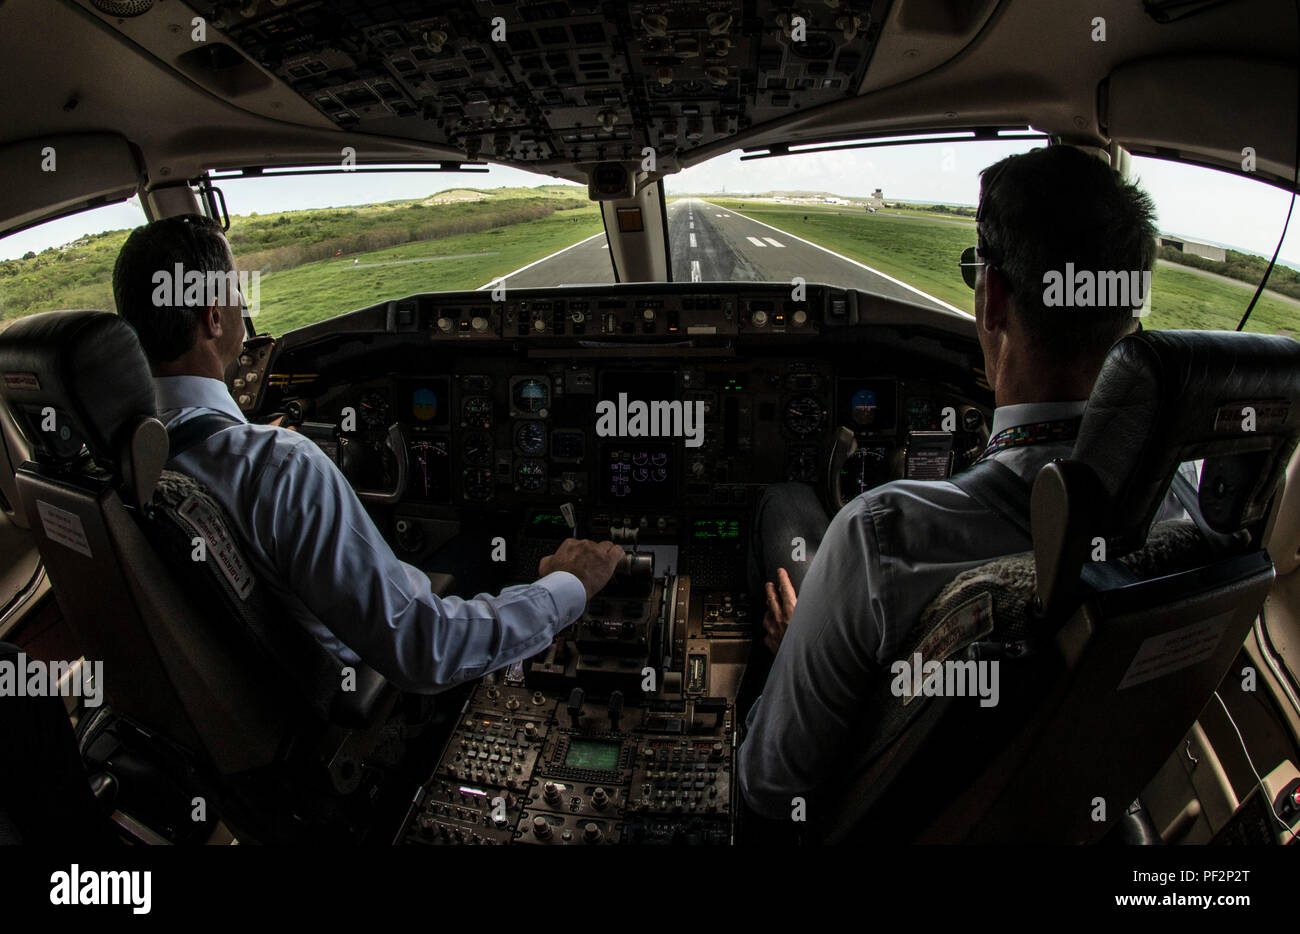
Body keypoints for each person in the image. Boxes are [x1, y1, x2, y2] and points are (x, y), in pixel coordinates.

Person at [739, 145, 1187, 821]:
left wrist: (807, 642)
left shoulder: (880, 536)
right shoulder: (1187, 510)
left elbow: (770, 794)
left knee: (787, 505)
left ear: (993, 298)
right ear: (1132, 310)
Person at [112, 214, 623, 693]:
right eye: (237, 295)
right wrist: (570, 585)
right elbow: (428, 647)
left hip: (232, 690)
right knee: (493, 543)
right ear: (214, 317)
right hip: (341, 692)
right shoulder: (280, 464)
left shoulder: (120, 459)